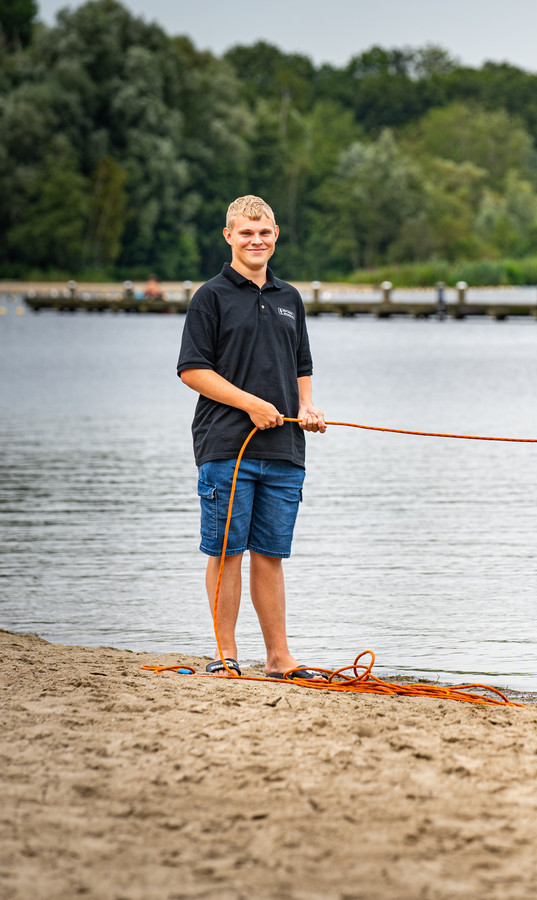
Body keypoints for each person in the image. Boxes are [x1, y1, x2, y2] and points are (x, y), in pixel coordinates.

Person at [176, 195, 327, 679]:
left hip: (285, 449)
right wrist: (250, 404)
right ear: (229, 237)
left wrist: (305, 408)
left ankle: (279, 659)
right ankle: (225, 656)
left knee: (270, 555)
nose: (255, 240)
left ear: (276, 234)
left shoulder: (290, 299)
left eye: (263, 233)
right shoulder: (211, 296)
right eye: (246, 233)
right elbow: (192, 370)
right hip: (226, 446)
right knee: (226, 552)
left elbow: (301, 364)